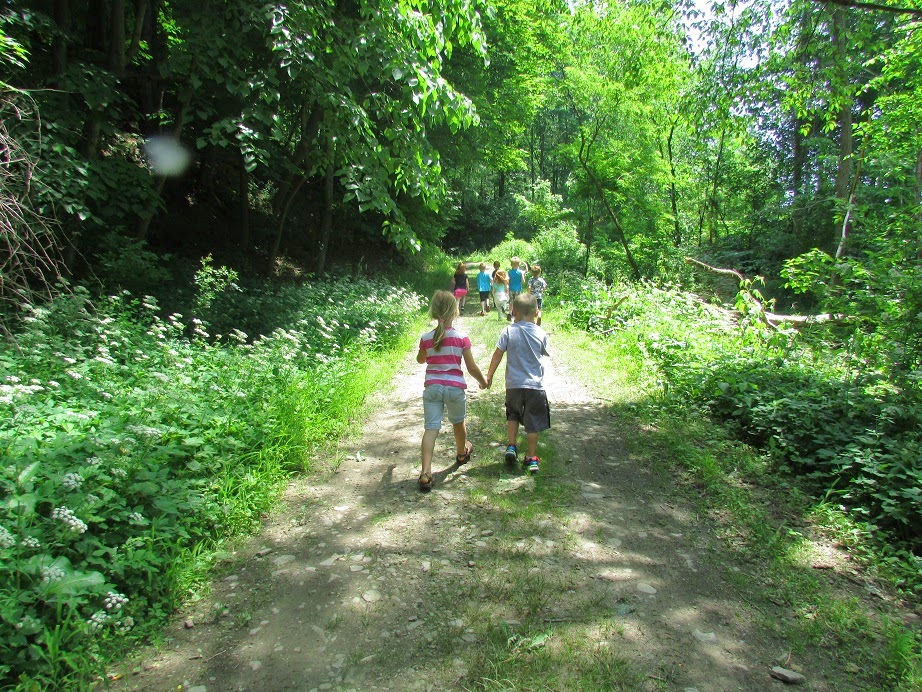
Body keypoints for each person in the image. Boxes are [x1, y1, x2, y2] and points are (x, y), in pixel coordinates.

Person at [417, 290, 488, 490]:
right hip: (454, 388)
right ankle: (461, 453)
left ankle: (425, 472)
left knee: (431, 428)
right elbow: (471, 367)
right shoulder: (461, 338)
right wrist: (483, 381)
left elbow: (421, 359)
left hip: (433, 388)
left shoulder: (426, 338)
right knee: (458, 422)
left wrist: (427, 353)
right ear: (455, 311)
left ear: (433, 312)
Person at [485, 293, 550, 475]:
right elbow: (543, 352)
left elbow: (498, 354)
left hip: (513, 385)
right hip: (535, 386)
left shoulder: (508, 331)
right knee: (533, 422)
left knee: (513, 414)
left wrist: (489, 376)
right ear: (536, 312)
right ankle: (531, 457)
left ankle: (512, 446)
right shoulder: (540, 332)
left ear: (513, 312)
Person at [507, 257, 527, 321]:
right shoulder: (520, 272)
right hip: (518, 289)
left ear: (511, 264)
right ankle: (517, 315)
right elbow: (523, 281)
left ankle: (510, 313)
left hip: (511, 289)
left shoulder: (509, 272)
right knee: (518, 303)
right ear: (518, 265)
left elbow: (508, 281)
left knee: (511, 302)